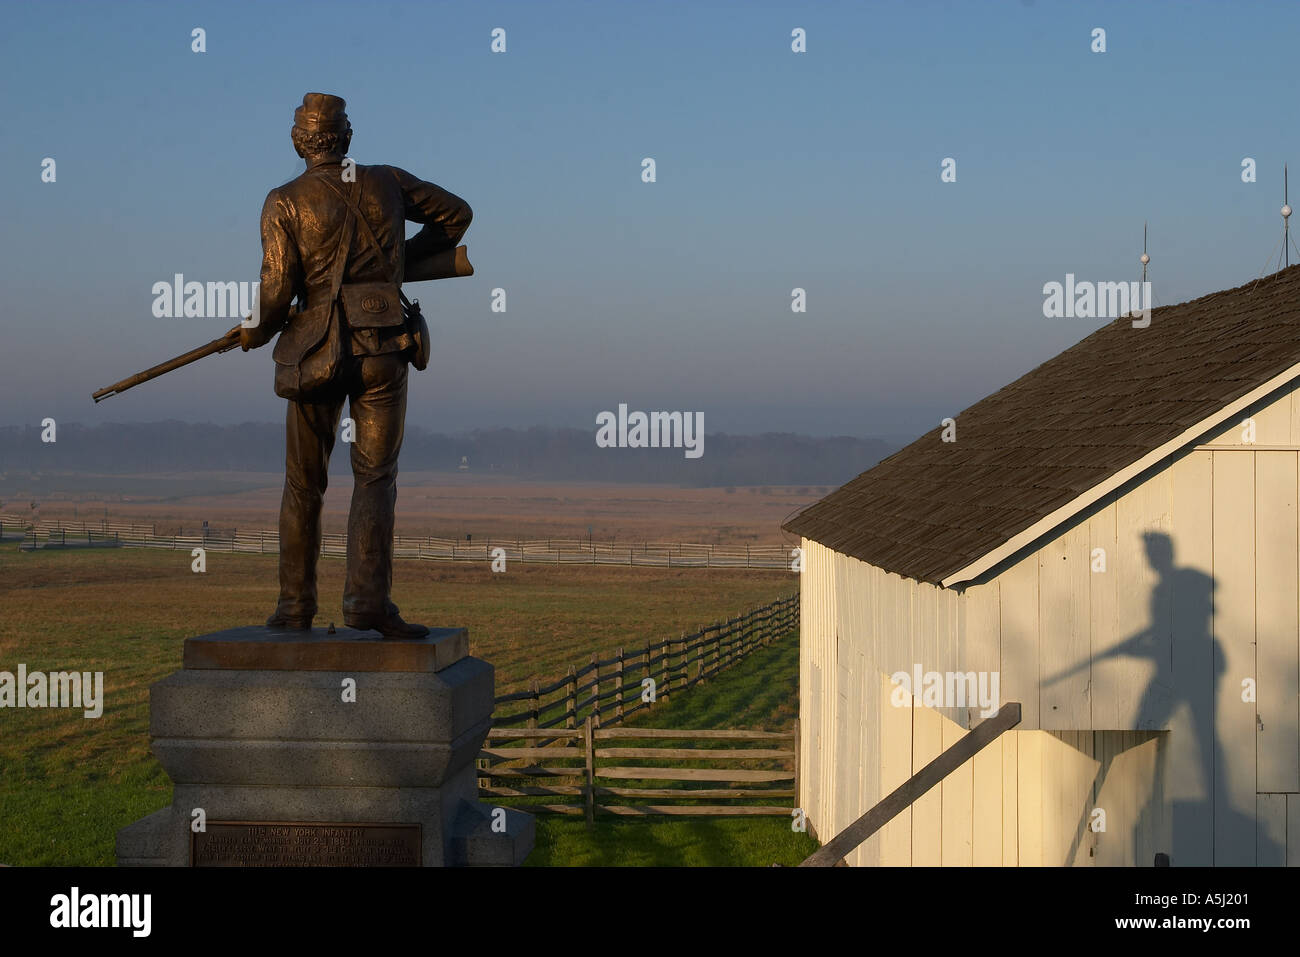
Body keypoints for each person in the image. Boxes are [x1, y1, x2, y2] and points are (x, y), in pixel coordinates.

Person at [240, 92, 472, 638]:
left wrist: (253, 329)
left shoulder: (284, 202)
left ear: (299, 143)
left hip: (316, 351)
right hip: (382, 346)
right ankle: (367, 604)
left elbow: (276, 293)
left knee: (303, 484)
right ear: (346, 137)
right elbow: (457, 216)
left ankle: (294, 608)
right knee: (375, 479)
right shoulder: (387, 181)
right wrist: (395, 266)